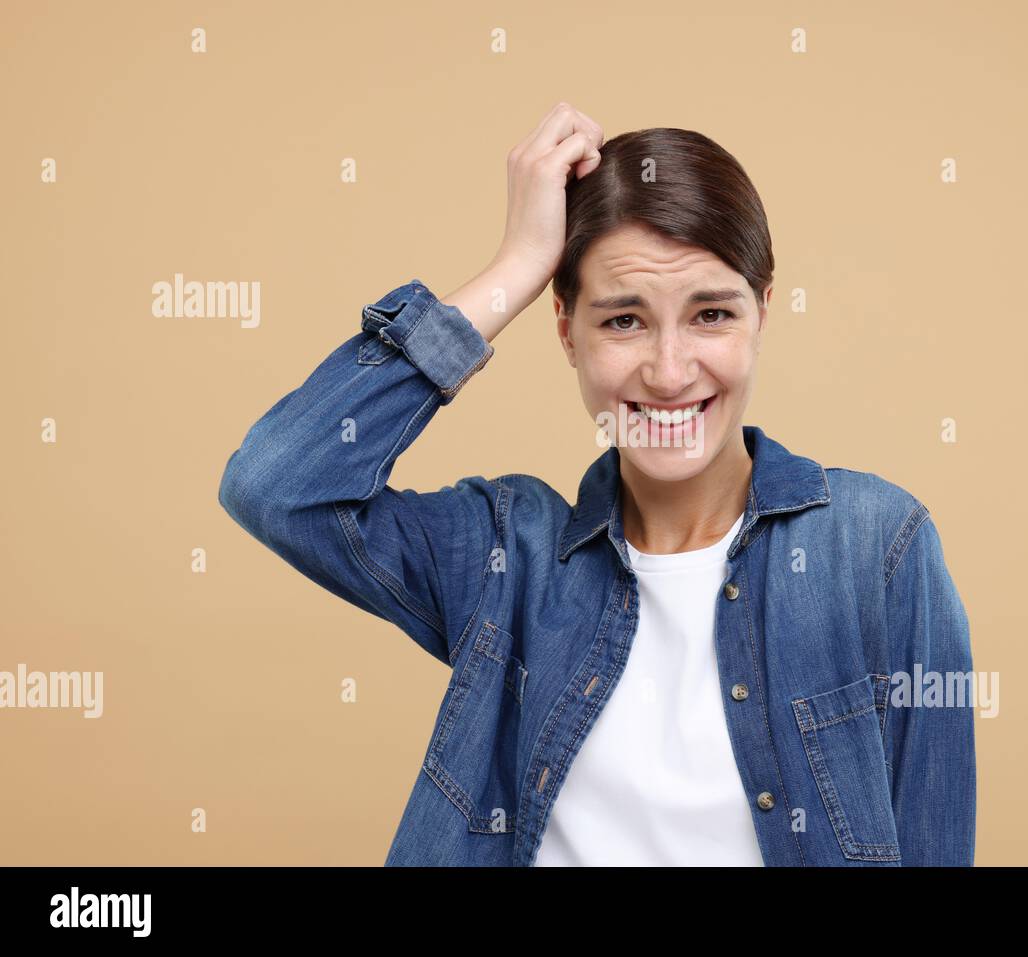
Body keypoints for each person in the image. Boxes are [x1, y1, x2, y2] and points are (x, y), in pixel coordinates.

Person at [218, 102, 976, 867]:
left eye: (711, 313)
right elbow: (275, 485)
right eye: (623, 321)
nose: (670, 371)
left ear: (762, 313)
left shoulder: (877, 547)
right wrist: (515, 266)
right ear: (563, 328)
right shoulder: (507, 556)